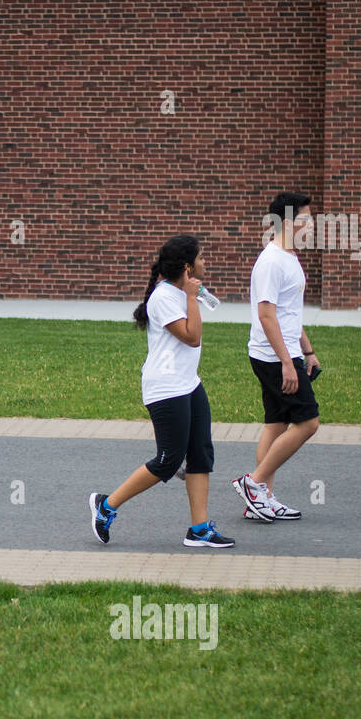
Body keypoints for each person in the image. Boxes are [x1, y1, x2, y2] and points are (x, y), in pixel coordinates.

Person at [89, 234, 235, 549]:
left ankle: (199, 529)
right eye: (201, 257)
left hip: (189, 383)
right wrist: (193, 299)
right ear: (187, 266)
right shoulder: (164, 297)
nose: (205, 262)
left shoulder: (179, 291)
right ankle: (106, 505)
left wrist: (192, 295)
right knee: (169, 460)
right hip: (166, 389)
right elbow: (191, 336)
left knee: (200, 454)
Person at [231, 193, 320, 522]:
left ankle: (260, 501)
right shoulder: (271, 261)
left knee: (275, 424)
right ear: (288, 222)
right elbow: (267, 316)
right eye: (307, 219)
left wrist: (307, 351)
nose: (312, 225)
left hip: (281, 351)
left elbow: (288, 315)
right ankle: (253, 484)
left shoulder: (289, 257)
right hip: (273, 356)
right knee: (308, 422)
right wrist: (287, 362)